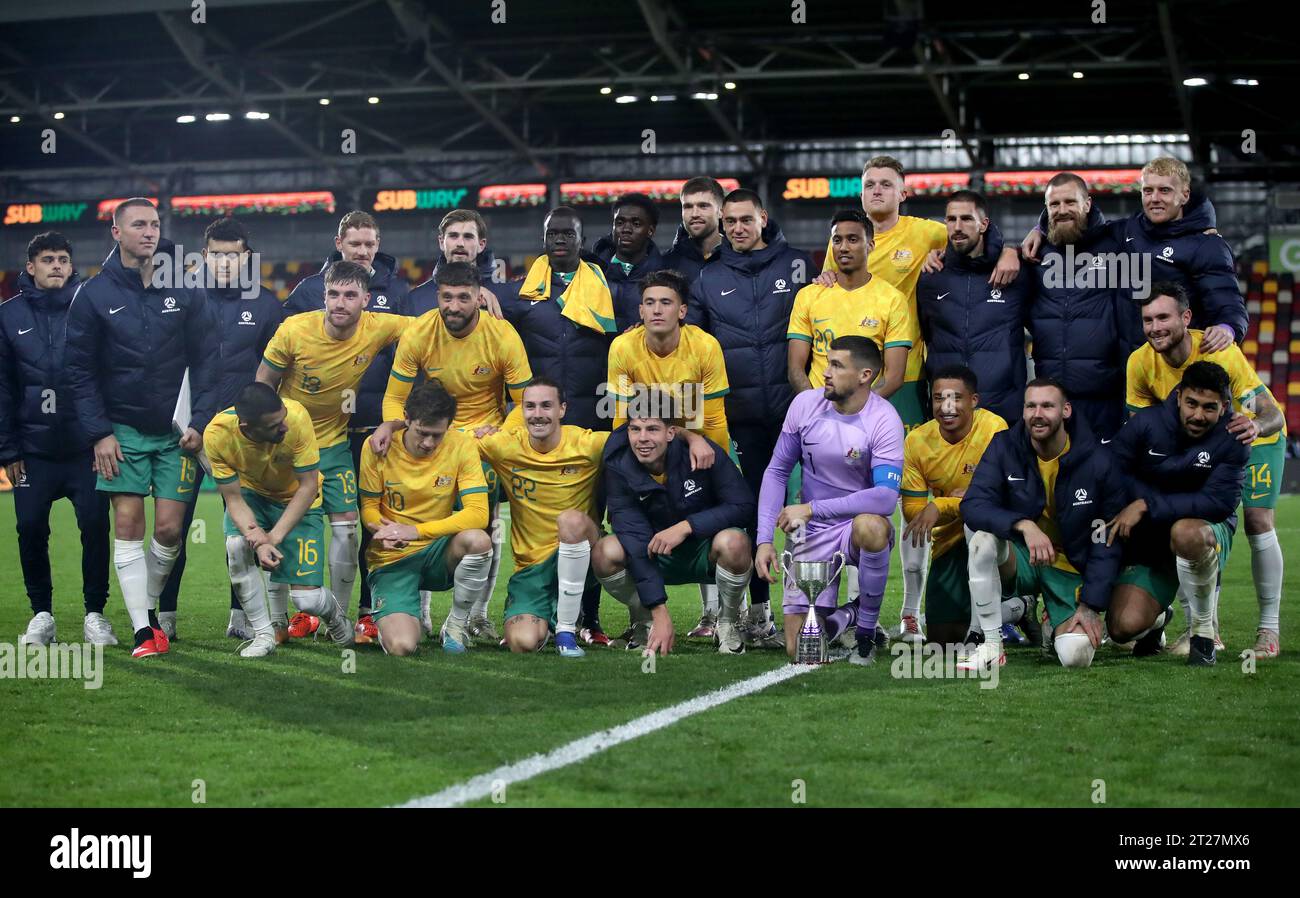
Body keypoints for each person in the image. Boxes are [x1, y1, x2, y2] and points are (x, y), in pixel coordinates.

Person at [65, 198, 219, 658]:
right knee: (129, 521)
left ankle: (146, 608)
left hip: (175, 433)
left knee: (170, 530)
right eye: (138, 225)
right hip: (121, 431)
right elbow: (79, 371)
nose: (149, 232)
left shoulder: (187, 290)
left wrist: (200, 421)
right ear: (117, 233)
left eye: (154, 224)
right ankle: (140, 630)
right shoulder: (93, 295)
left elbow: (207, 360)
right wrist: (99, 433)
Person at [374, 261, 532, 644]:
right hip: (434, 436)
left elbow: (524, 403)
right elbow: (395, 398)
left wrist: (501, 430)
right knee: (422, 512)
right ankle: (422, 612)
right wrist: (396, 427)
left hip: (482, 443)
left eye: (464, 297)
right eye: (447, 297)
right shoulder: (420, 332)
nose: (454, 306)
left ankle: (475, 615)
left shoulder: (502, 334)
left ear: (479, 297)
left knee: (484, 524)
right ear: (437, 296)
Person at [1126, 282, 1286, 658]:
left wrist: (1255, 427)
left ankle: (1269, 631)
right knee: (1183, 524)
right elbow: (1140, 428)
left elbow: (1273, 415)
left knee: (1258, 522)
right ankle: (1204, 630)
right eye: (1147, 319)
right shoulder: (1139, 363)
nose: (1154, 327)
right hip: (1198, 449)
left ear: (1185, 318)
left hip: (1252, 439)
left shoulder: (1219, 352)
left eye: (1163, 317)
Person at [256, 259, 410, 641]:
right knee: (281, 530)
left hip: (335, 445)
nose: (340, 303)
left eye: (350, 295)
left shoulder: (381, 326)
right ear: (324, 295)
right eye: (333, 294)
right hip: (287, 447)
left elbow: (435, 326)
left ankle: (335, 621)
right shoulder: (294, 330)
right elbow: (262, 386)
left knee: (347, 531)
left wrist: (486, 300)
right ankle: (277, 621)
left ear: (366, 300)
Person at [687, 188, 812, 646]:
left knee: (809, 513)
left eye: (745, 219)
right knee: (758, 513)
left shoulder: (797, 265)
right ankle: (759, 614)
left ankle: (819, 612)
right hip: (740, 416)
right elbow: (697, 349)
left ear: (762, 217)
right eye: (730, 221)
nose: (738, 228)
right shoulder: (708, 277)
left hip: (796, 411)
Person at [497, 205, 618, 645]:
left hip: (591, 420)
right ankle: (511, 605)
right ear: (544, 238)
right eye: (554, 233)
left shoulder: (607, 290)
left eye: (569, 233)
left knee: (590, 518)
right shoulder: (519, 295)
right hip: (538, 423)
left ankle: (590, 617)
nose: (561, 239)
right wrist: (489, 297)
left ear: (583, 238)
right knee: (532, 516)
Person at [160, 216, 284, 641]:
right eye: (217, 255)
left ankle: (241, 616)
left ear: (246, 257)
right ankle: (165, 616)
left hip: (241, 438)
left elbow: (277, 374)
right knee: (173, 528)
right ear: (205, 255)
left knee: (241, 529)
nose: (225, 263)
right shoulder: (179, 298)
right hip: (184, 436)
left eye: (233, 256)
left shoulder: (267, 305)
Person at [755, 336, 904, 666]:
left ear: (865, 375)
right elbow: (777, 471)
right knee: (800, 649)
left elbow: (884, 498)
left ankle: (865, 633)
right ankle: (851, 614)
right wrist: (765, 540)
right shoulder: (805, 405)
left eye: (836, 365)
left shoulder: (884, 420)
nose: (825, 372)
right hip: (810, 533)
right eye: (826, 362)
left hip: (854, 526)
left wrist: (811, 508)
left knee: (872, 526)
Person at [960, 379, 1127, 670]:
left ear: (1066, 410)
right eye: (1031, 406)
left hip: (1071, 567)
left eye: (1047, 406)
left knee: (1075, 656)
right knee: (981, 540)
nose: (1038, 413)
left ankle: (1059, 616)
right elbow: (973, 505)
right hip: (1024, 557)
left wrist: (1090, 605)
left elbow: (1108, 537)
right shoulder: (1004, 446)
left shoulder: (1098, 459)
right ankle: (991, 645)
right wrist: (1023, 524)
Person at [1, 232, 113, 647]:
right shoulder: (7, 315)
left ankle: (95, 614)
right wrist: (8, 448)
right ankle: (41, 614)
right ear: (30, 267)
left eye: (63, 259)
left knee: (95, 525)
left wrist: (104, 434)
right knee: (30, 527)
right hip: (33, 452)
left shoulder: (91, 310)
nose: (57, 266)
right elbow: (3, 387)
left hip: (85, 449)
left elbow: (108, 376)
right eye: (47, 259)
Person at [1022, 156, 1247, 353]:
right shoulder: (1128, 231)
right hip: (1133, 370)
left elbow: (1227, 300)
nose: (1154, 198)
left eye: (1164, 190)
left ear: (1185, 195)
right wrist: (1039, 229)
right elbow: (1082, 227)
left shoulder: (1207, 245)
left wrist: (1227, 328)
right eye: (1148, 191)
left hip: (1180, 367)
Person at [1105, 362, 1250, 666]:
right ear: (1179, 395)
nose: (1198, 415)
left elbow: (1217, 502)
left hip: (1204, 531)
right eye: (1192, 404)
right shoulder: (1145, 424)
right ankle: (1159, 620)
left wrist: (1146, 504)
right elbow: (1112, 474)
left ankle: (1203, 632)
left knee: (1186, 532)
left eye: (1209, 408)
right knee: (1121, 628)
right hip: (1152, 540)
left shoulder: (1234, 437)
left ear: (1224, 407)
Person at [594, 397, 757, 654]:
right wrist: (659, 610)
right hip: (651, 552)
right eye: (635, 429)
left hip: (704, 551)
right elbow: (634, 540)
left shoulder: (704, 452)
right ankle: (644, 621)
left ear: (672, 432)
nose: (642, 438)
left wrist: (687, 526)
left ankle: (727, 622)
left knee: (735, 542)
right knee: (605, 551)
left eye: (652, 429)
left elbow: (743, 506)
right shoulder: (618, 466)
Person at [899, 366, 1037, 647]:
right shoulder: (917, 442)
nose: (946, 407)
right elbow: (913, 512)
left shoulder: (992, 427)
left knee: (977, 523)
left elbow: (997, 501)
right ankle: (1020, 608)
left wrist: (941, 504)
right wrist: (964, 500)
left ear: (974, 400)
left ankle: (991, 625)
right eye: (939, 398)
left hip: (998, 537)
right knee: (944, 642)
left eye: (956, 398)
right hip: (949, 542)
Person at [204, 384, 342, 656]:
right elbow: (233, 498)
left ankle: (336, 619)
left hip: (298, 499)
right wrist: (256, 537)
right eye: (274, 425)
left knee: (308, 600)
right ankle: (264, 635)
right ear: (247, 427)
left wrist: (272, 538)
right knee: (235, 547)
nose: (284, 428)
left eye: (282, 419)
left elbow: (308, 486)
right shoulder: (217, 435)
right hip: (254, 494)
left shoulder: (297, 417)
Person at [474, 378, 608, 658]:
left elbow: (641, 437)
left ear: (562, 409)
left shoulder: (589, 443)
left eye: (546, 406)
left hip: (586, 555)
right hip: (531, 568)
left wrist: (690, 436)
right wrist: (394, 426)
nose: (538, 414)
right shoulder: (504, 446)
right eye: (530, 406)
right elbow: (447, 442)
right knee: (521, 643)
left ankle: (573, 630)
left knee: (572, 523)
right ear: (521, 411)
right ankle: (545, 622)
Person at [359, 381, 492, 655]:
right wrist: (381, 530)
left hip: (437, 552)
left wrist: (416, 531)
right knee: (403, 646)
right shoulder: (377, 446)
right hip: (392, 558)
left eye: (437, 435)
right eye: (422, 433)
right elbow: (369, 507)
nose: (429, 443)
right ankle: (398, 618)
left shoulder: (461, 445)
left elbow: (479, 514)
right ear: (405, 418)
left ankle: (456, 624)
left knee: (478, 541)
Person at [916, 191, 1033, 426]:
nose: (957, 227)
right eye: (951, 219)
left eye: (967, 219)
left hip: (1003, 410)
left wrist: (1013, 252)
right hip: (948, 412)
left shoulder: (1015, 274)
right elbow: (928, 335)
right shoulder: (931, 277)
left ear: (983, 224)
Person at [788, 208, 913, 398]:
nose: (843, 247)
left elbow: (894, 377)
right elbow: (795, 369)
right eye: (837, 240)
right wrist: (813, 406)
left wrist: (859, 410)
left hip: (865, 414)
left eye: (853, 240)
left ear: (870, 246)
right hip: (818, 411)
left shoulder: (892, 300)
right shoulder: (808, 295)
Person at [406, 209, 503, 318]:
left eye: (468, 237)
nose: (460, 244)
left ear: (481, 244)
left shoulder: (506, 296)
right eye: (453, 236)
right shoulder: (415, 299)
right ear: (441, 242)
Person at [592, 192, 668, 330]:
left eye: (636, 223)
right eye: (620, 223)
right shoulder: (592, 273)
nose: (626, 229)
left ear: (650, 230)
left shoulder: (664, 278)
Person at [662, 176, 726, 283]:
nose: (695, 214)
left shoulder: (739, 259)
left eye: (703, 206)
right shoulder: (665, 265)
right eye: (688, 207)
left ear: (721, 212)